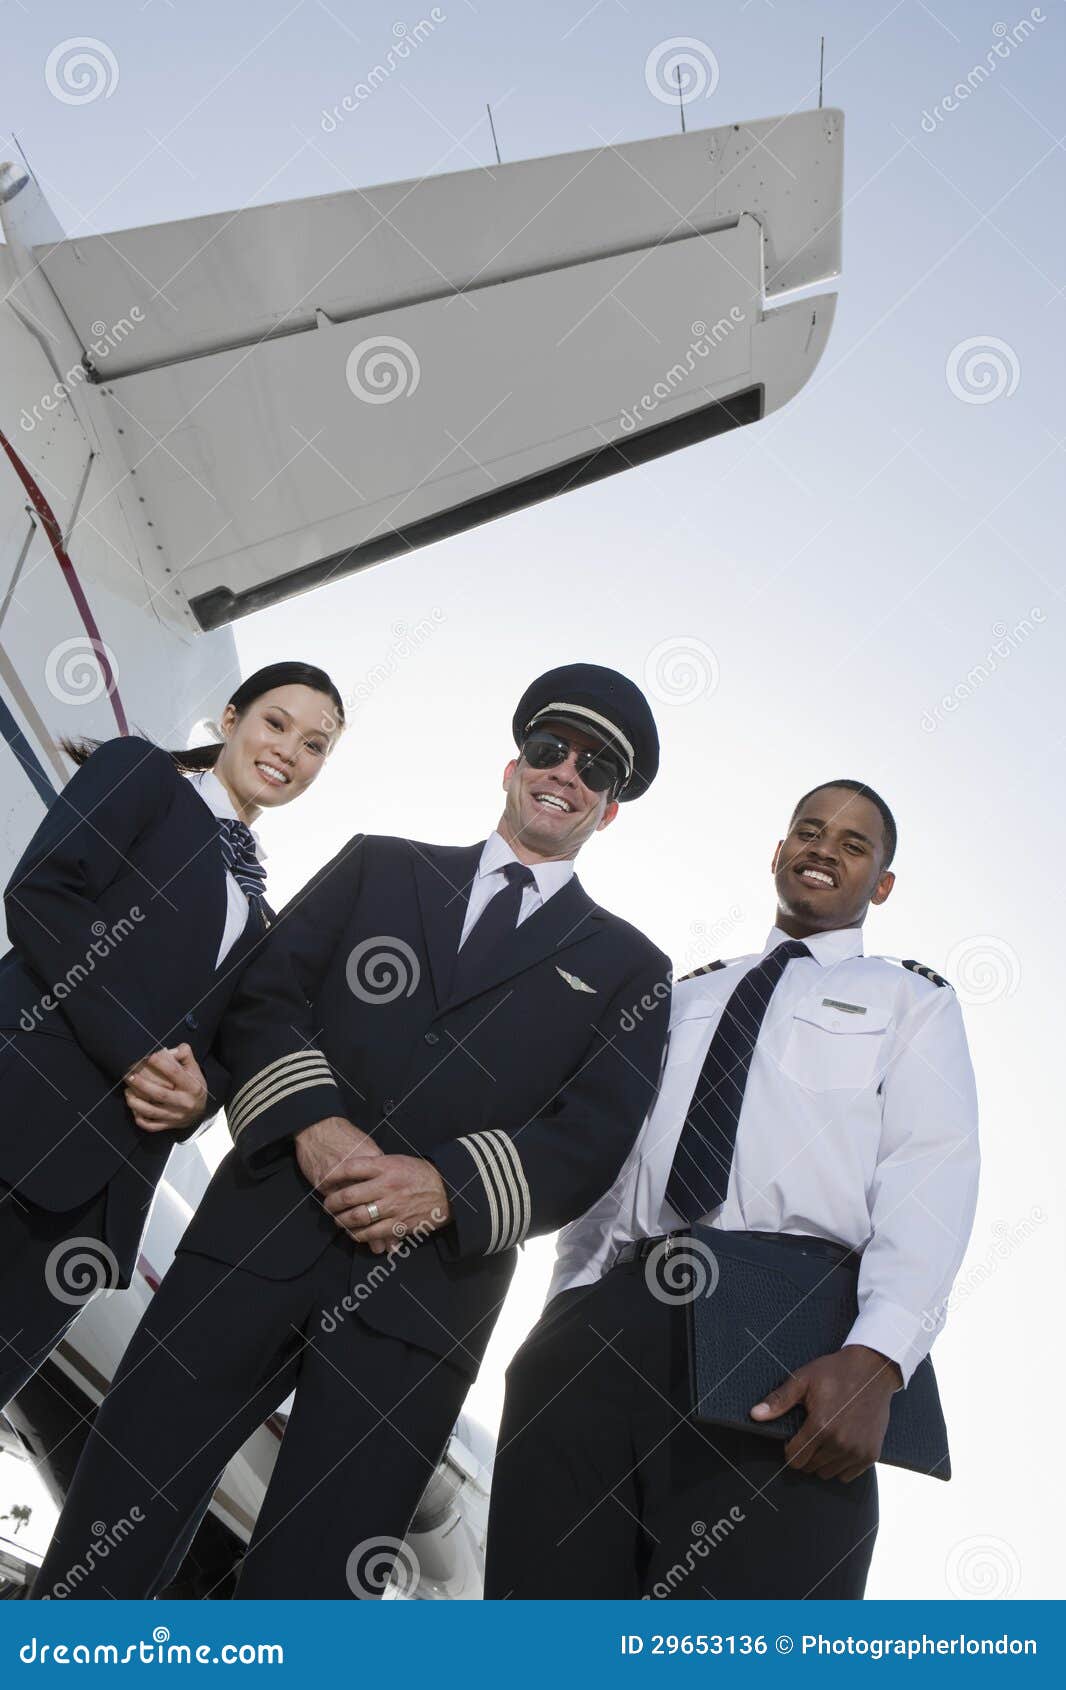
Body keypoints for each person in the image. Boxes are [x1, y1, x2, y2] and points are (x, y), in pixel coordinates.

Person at [36, 663, 671, 1601]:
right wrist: (315, 1126)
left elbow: (593, 1138)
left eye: (594, 771)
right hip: (252, 1243)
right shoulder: (380, 864)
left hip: (420, 1305)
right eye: (549, 750)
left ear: (608, 811)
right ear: (512, 767)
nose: (565, 774)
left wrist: (442, 1187)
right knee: (114, 1520)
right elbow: (262, 1001)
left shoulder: (631, 968)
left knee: (312, 1590)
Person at [484, 780, 980, 1600]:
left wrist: (880, 1357)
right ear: (779, 853)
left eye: (855, 845)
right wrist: (562, 1321)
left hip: (788, 1332)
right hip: (609, 1321)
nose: (826, 848)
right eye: (810, 831)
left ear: (881, 885)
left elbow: (933, 1173)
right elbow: (618, 1166)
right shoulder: (684, 995)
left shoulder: (911, 1001)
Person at [0, 662, 344, 1412]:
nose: (290, 750)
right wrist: (134, 1054)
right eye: (277, 723)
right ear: (230, 719)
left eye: (316, 745)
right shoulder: (143, 777)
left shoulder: (260, 916)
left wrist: (201, 1099)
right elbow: (41, 894)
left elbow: (220, 1051)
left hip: (94, 1206)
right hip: (17, 1116)